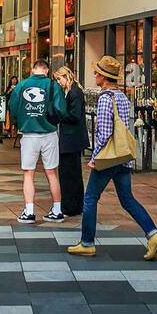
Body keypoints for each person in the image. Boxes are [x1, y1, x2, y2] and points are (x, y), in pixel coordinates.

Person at [68, 55, 157, 261]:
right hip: (123, 156)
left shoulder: (105, 98)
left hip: (108, 158)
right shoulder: (122, 97)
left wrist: (95, 158)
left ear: (104, 77)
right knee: (127, 199)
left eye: (97, 73)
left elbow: (103, 133)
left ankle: (87, 243)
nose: (95, 75)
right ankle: (153, 235)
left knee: (90, 198)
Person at [8, 58, 68, 223]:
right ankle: (57, 210)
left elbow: (12, 106)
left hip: (29, 134)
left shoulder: (21, 85)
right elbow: (61, 109)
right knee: (51, 172)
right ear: (47, 71)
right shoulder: (53, 85)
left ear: (33, 70)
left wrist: (19, 120)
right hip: (49, 133)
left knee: (28, 173)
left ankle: (29, 211)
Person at [54, 65, 89, 217]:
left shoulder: (75, 92)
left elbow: (74, 115)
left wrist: (60, 114)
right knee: (70, 172)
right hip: (71, 138)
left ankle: (71, 206)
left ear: (66, 76)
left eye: (59, 79)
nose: (59, 82)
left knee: (69, 173)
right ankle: (73, 204)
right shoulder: (72, 91)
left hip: (71, 139)